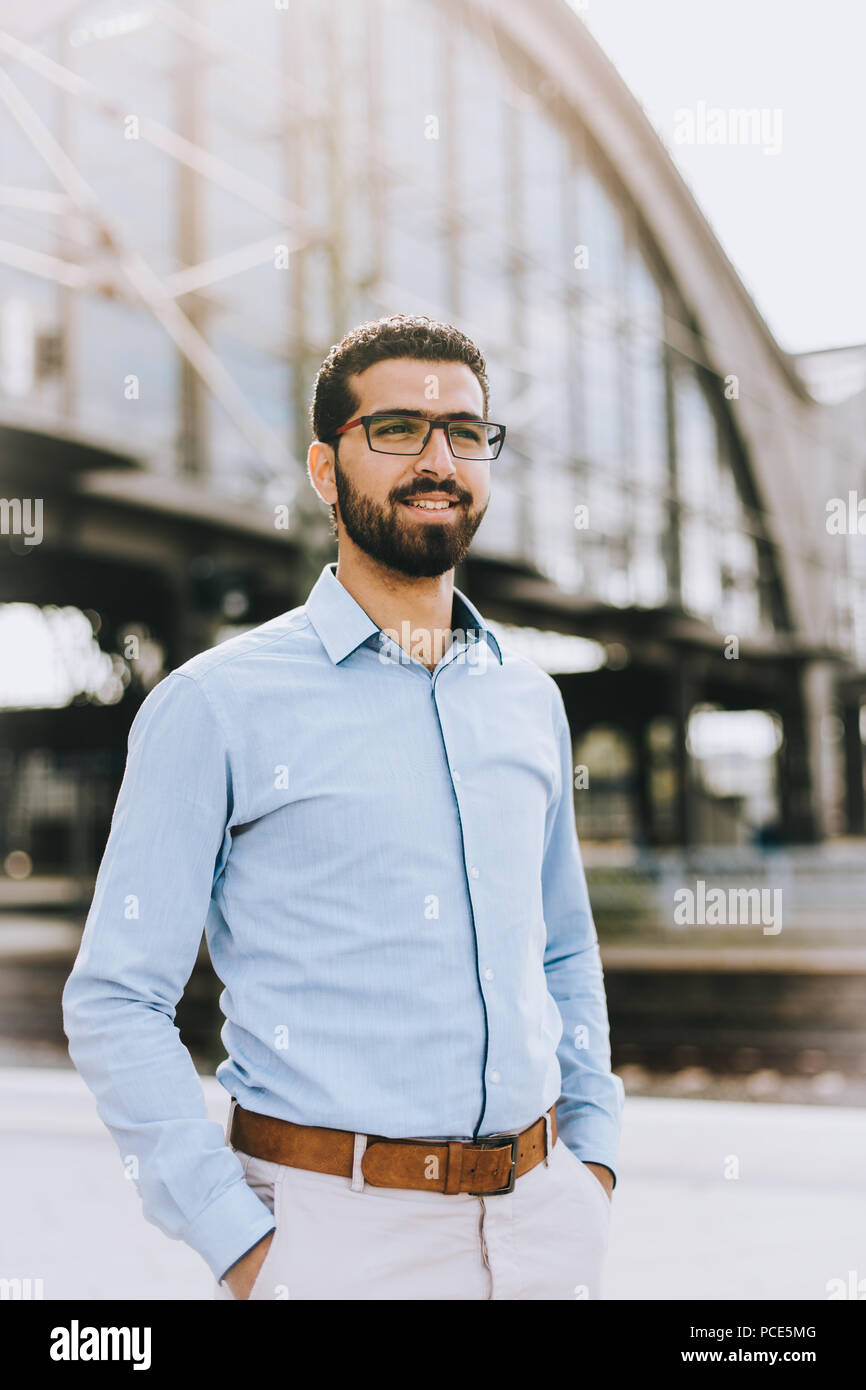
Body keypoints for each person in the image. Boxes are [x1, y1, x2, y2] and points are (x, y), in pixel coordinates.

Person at [62, 313, 625, 1301]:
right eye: (398, 429)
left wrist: (594, 1156)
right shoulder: (214, 705)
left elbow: (563, 950)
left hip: (544, 1226)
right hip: (335, 1239)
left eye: (466, 432)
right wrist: (240, 1243)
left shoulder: (528, 700)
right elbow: (115, 997)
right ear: (325, 471)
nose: (438, 459)